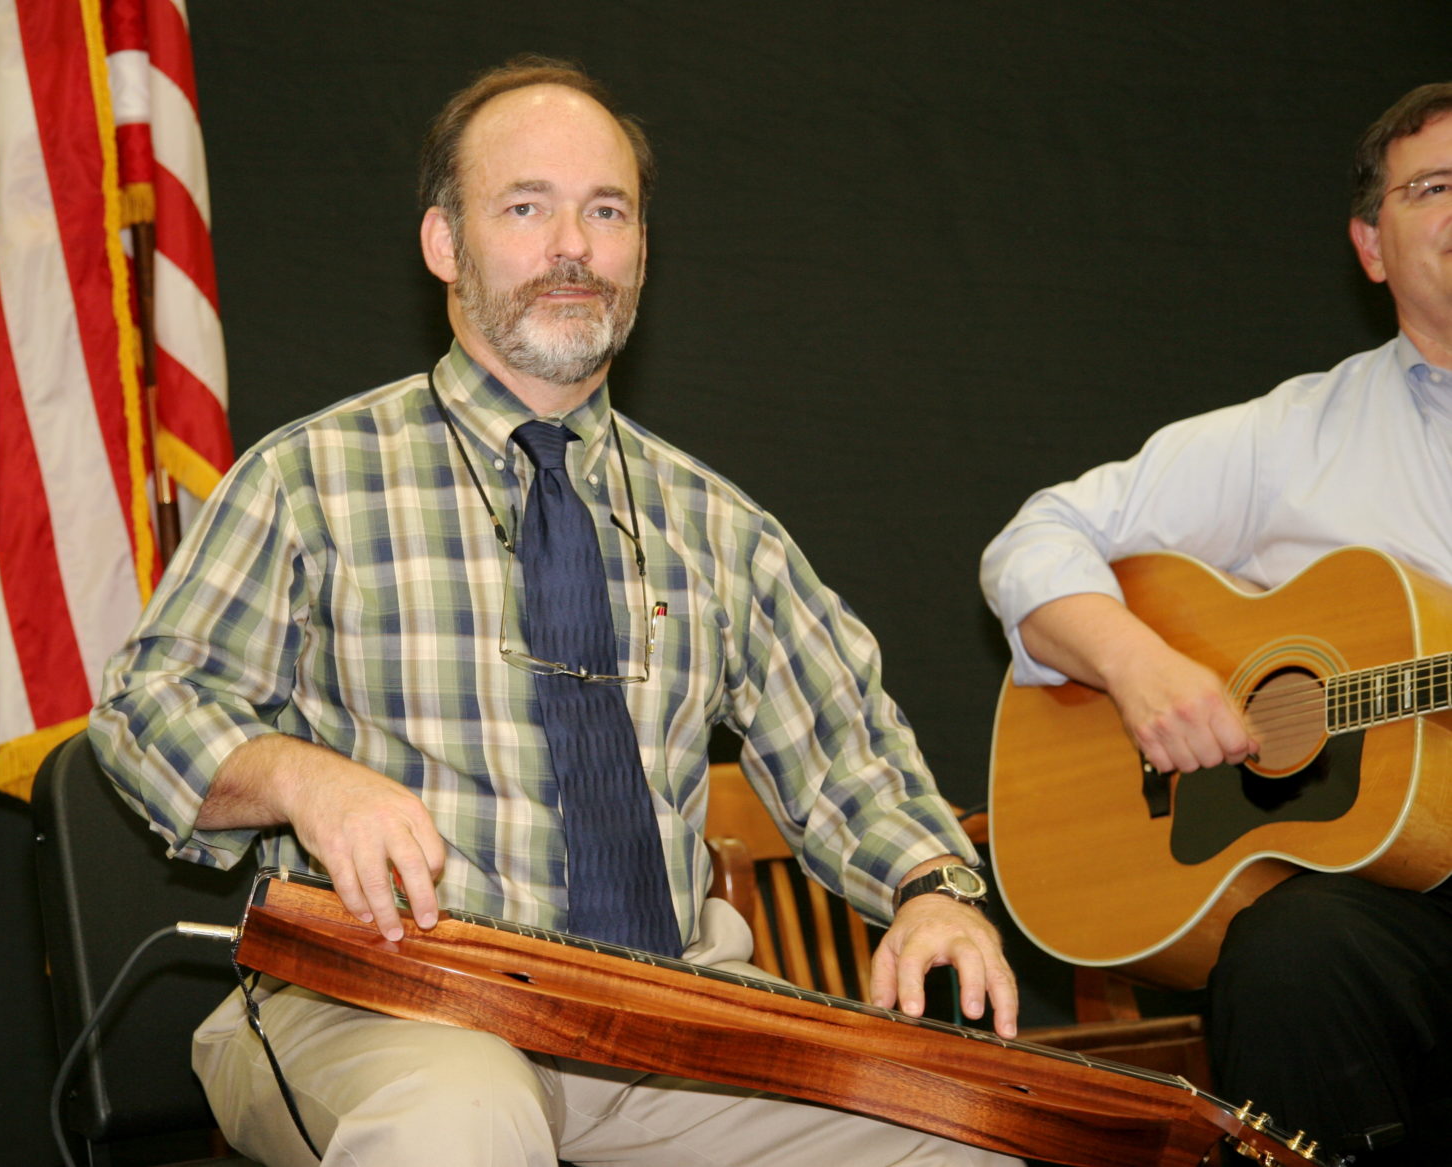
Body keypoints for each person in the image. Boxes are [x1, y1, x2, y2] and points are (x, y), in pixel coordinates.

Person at [90, 55, 1018, 1167]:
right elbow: (146, 709)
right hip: (384, 1001)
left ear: (638, 252)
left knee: (956, 1140)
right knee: (462, 1125)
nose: (571, 247)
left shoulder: (720, 526)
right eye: (526, 208)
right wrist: (304, 777)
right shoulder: (310, 479)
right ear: (445, 244)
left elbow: (848, 758)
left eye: (606, 212)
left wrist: (932, 890)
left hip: (667, 1013)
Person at [980, 81, 1452, 1166]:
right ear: (1370, 247)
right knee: (1289, 958)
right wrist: (1140, 667)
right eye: (1431, 187)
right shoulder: (1288, 437)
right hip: (1400, 909)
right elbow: (1035, 540)